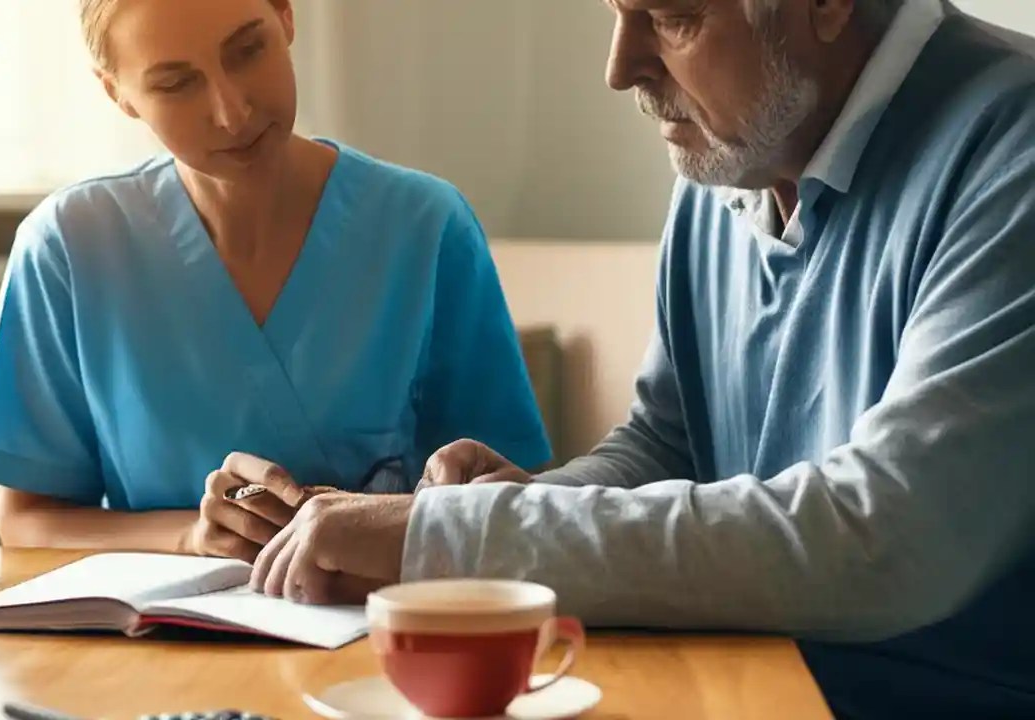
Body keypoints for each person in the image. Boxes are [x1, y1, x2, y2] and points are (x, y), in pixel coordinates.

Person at [248, 0, 1035, 716]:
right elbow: (670, 445)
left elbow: (888, 538)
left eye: (674, 16)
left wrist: (457, 535)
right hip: (735, 690)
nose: (620, 66)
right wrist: (527, 507)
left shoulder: (1013, 145)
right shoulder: (735, 149)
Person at [0, 0, 551, 565]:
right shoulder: (68, 245)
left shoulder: (426, 225)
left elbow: (505, 492)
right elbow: (27, 520)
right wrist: (192, 536)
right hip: (160, 643)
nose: (232, 111)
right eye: (176, 83)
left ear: (287, 16)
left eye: (247, 51)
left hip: (383, 632)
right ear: (118, 93)